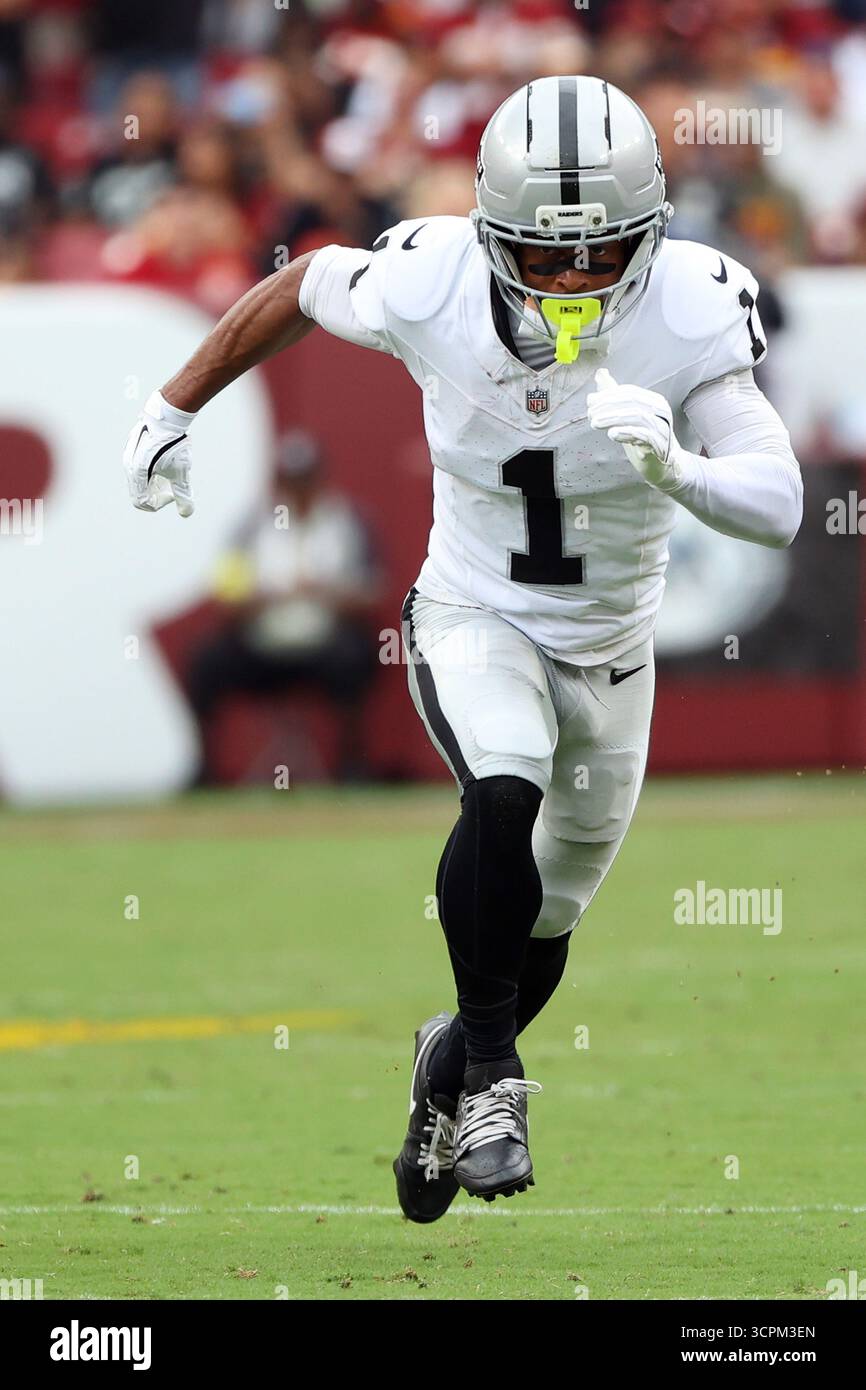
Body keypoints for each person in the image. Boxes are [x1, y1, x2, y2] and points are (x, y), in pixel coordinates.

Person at [123, 76, 803, 1219]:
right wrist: (174, 402)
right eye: (545, 257)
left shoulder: (688, 309)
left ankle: (449, 1063)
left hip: (611, 648)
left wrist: (673, 469)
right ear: (490, 236)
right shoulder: (428, 280)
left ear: (650, 236)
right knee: (501, 787)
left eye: (601, 255)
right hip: (472, 611)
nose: (575, 280)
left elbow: (777, 498)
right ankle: (493, 1079)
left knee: (540, 915)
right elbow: (302, 281)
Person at [186, 429, 381, 785]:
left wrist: (326, 592)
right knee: (206, 661)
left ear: (320, 478)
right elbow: (226, 597)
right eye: (292, 481)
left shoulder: (348, 522)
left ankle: (352, 764)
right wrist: (266, 595)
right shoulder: (250, 526)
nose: (299, 490)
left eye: (305, 480)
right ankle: (205, 768)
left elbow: (374, 591)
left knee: (357, 656)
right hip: (262, 644)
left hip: (326, 642)